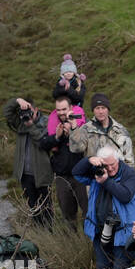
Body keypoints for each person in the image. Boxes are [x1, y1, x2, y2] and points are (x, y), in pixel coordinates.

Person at [72, 145, 135, 269]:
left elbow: (126, 196)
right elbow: (76, 173)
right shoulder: (97, 172)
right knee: (103, 268)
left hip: (122, 231)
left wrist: (106, 181)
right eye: (106, 166)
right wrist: (89, 160)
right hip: (99, 229)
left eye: (112, 164)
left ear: (118, 159)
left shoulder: (129, 174)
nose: (110, 168)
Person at [4, 95, 53, 226]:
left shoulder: (47, 122)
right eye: (24, 111)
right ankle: (38, 231)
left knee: (46, 206)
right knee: (32, 206)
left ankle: (50, 232)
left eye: (29, 110)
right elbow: (7, 112)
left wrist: (31, 126)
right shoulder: (20, 124)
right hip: (24, 174)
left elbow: (43, 142)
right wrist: (17, 101)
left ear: (36, 110)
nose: (27, 114)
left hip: (42, 173)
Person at [43, 89, 88, 229]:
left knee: (88, 211)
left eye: (64, 109)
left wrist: (73, 131)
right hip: (62, 177)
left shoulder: (82, 123)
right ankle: (72, 242)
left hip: (81, 176)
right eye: (58, 110)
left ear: (70, 108)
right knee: (68, 215)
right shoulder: (53, 125)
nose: (61, 113)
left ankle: (91, 240)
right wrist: (57, 137)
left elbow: (86, 144)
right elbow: (43, 144)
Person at [68, 93, 133, 166]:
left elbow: (129, 160)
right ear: (93, 110)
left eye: (103, 108)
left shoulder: (121, 130)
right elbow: (76, 149)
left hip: (118, 175)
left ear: (108, 109)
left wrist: (129, 176)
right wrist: (73, 126)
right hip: (95, 174)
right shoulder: (86, 129)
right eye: (97, 108)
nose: (100, 111)